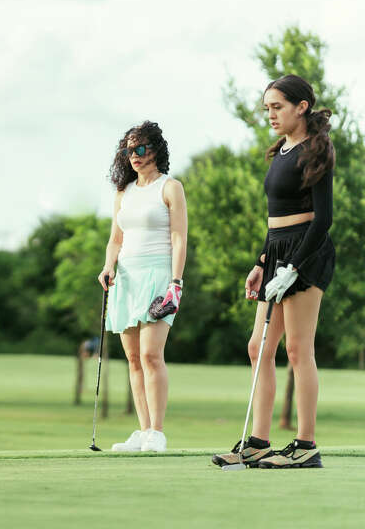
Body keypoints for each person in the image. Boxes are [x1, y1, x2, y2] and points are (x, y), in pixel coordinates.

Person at [212, 75, 335, 469]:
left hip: (307, 251)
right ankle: (259, 442)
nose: (270, 114)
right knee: (258, 347)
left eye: (277, 106)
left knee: (298, 349)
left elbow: (323, 219)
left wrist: (294, 267)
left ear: (301, 107)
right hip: (277, 253)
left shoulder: (317, 149)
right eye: (267, 108)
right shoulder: (281, 150)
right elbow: (275, 220)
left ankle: (305, 444)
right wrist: (261, 263)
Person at [98, 121, 187, 452]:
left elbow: (179, 237)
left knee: (151, 354)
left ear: (155, 149)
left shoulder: (170, 187)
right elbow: (115, 239)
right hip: (127, 278)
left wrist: (176, 282)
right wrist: (108, 267)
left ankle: (158, 432)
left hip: (159, 276)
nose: (134, 155)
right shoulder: (124, 192)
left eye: (140, 148)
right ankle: (143, 429)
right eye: (128, 149)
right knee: (133, 359)